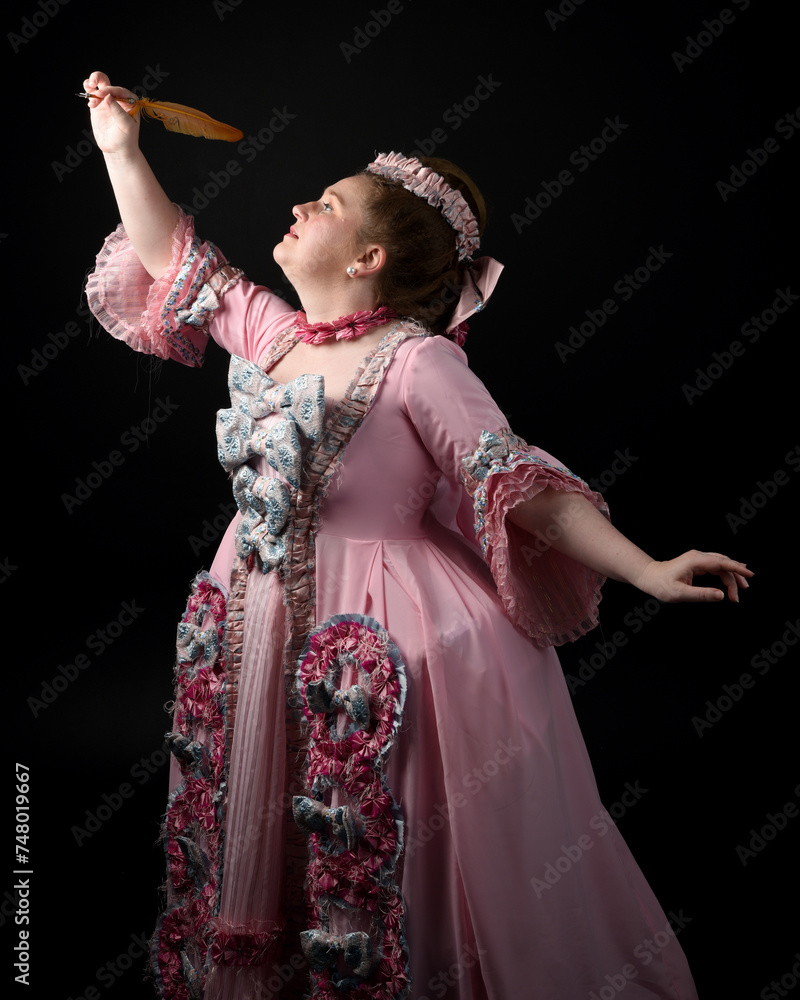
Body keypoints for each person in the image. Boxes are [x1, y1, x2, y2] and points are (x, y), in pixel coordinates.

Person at [82, 70, 751, 1000]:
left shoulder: (419, 361)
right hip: (260, 604)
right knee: (263, 788)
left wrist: (645, 568)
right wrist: (121, 145)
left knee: (372, 810)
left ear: (366, 262)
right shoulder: (276, 337)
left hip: (381, 620)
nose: (297, 204)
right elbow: (173, 259)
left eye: (324, 204)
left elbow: (519, 488)